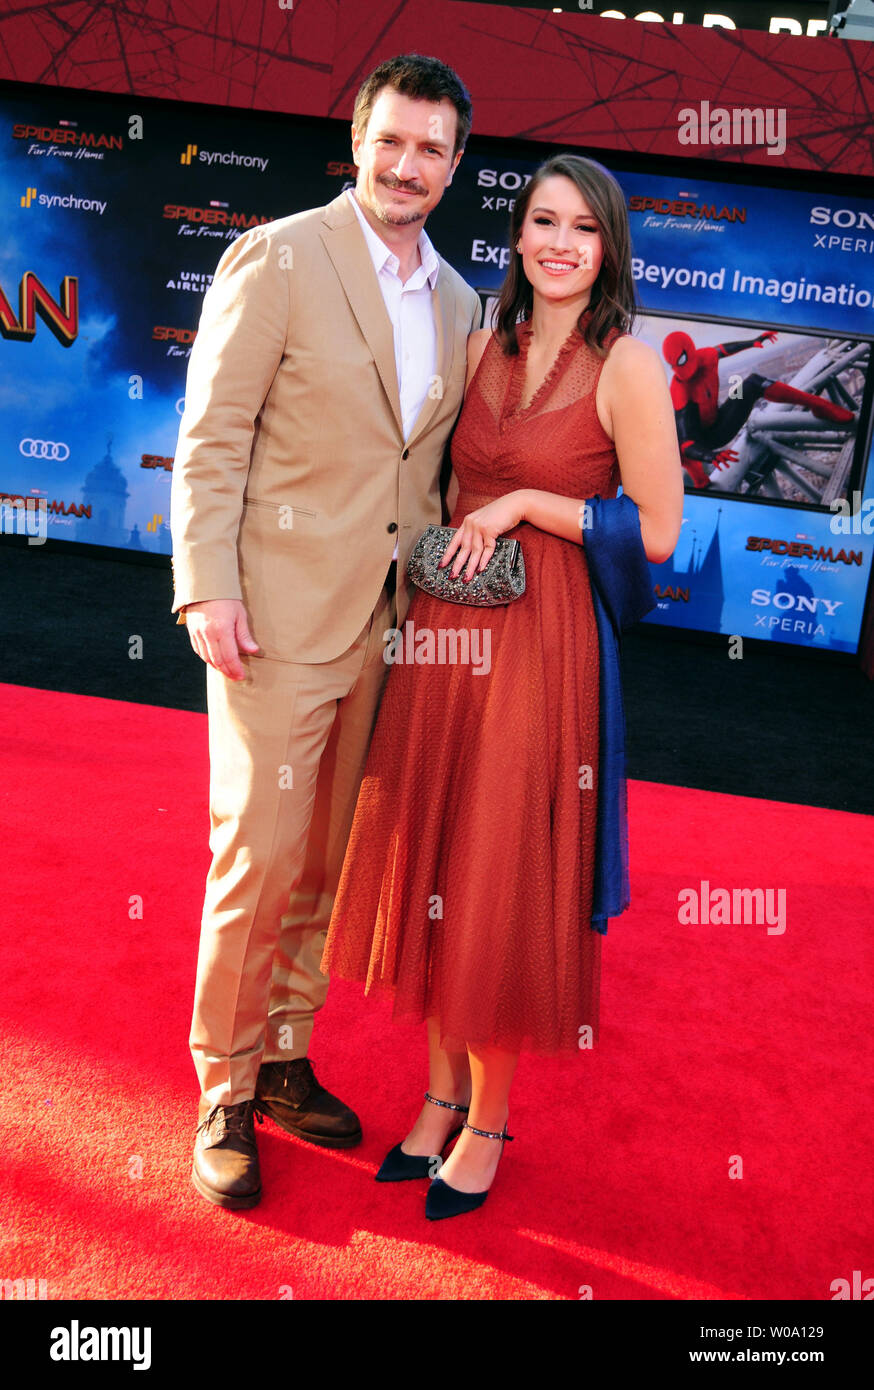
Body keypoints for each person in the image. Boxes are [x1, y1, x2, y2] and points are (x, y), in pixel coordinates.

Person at [320, 152, 685, 1220]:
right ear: (517, 235)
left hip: (543, 647)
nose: (560, 242)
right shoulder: (481, 341)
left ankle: (487, 1119)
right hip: (445, 643)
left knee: (495, 874)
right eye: (542, 221)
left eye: (583, 227)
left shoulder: (629, 367)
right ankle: (436, 1097)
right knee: (434, 855)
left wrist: (527, 498)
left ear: (609, 246)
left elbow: (659, 536)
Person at [169, 53, 481, 1210]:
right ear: (357, 141)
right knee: (256, 852)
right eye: (391, 141)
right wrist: (206, 587)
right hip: (274, 617)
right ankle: (223, 1086)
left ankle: (288, 1051)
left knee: (331, 860)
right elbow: (212, 437)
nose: (407, 167)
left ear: (455, 167)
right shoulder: (282, 255)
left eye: (431, 149)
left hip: (387, 629)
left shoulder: (458, 302)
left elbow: (429, 470)